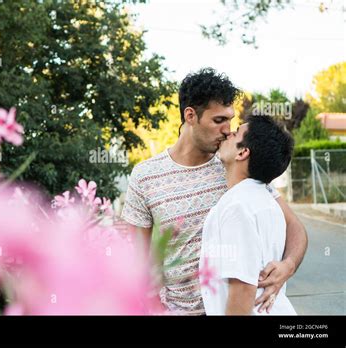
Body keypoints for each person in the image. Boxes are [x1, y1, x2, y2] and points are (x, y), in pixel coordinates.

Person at [121, 68, 307, 315]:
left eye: (230, 120)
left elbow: (295, 227)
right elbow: (136, 259)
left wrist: (289, 265)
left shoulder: (238, 168)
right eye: (219, 120)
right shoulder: (145, 176)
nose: (228, 130)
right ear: (190, 115)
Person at [200, 115, 297, 315]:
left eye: (235, 133)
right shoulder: (268, 201)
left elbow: (243, 288)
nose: (228, 133)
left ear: (243, 152)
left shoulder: (237, 206)